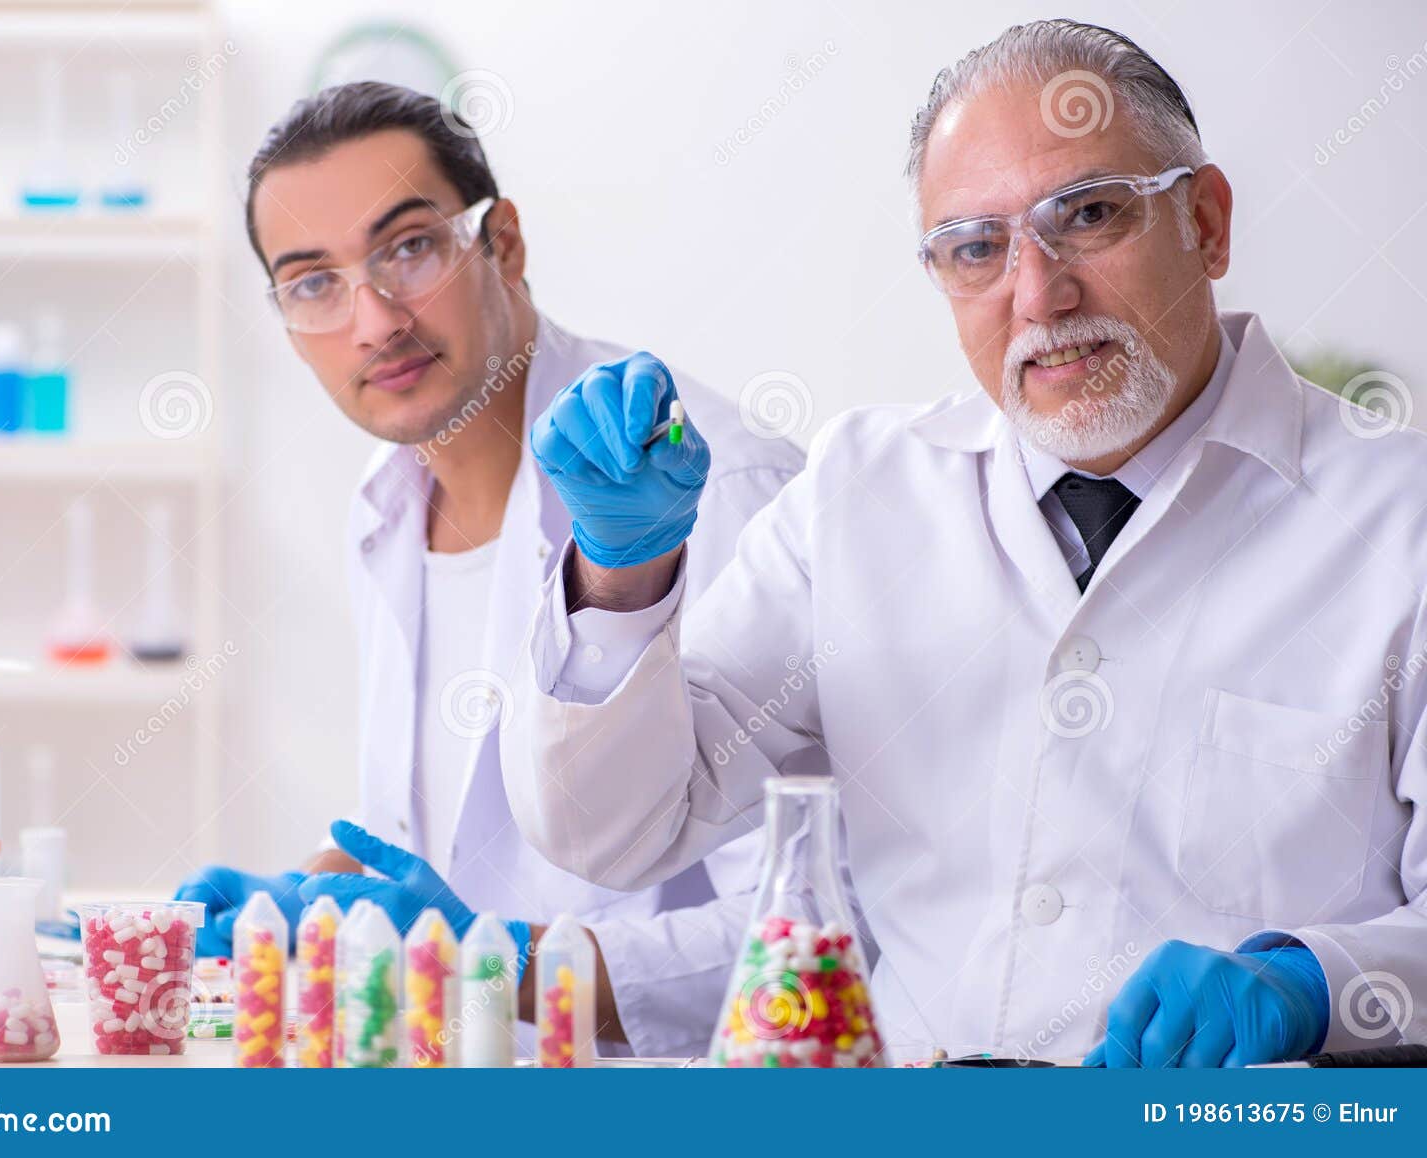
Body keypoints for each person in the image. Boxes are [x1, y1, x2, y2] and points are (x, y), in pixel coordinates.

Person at [501, 20, 1427, 1066]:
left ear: (1206, 223)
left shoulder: (1399, 522)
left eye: (1087, 215)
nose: (1038, 294)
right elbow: (617, 830)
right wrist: (620, 577)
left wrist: (1316, 982)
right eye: (976, 248)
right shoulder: (862, 493)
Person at [175, 82, 803, 1056]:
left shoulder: (702, 486)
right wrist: (325, 902)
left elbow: (802, 940)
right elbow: (450, 858)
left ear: (500, 243)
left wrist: (507, 961)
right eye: (313, 282)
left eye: (409, 248)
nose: (373, 320)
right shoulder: (385, 510)